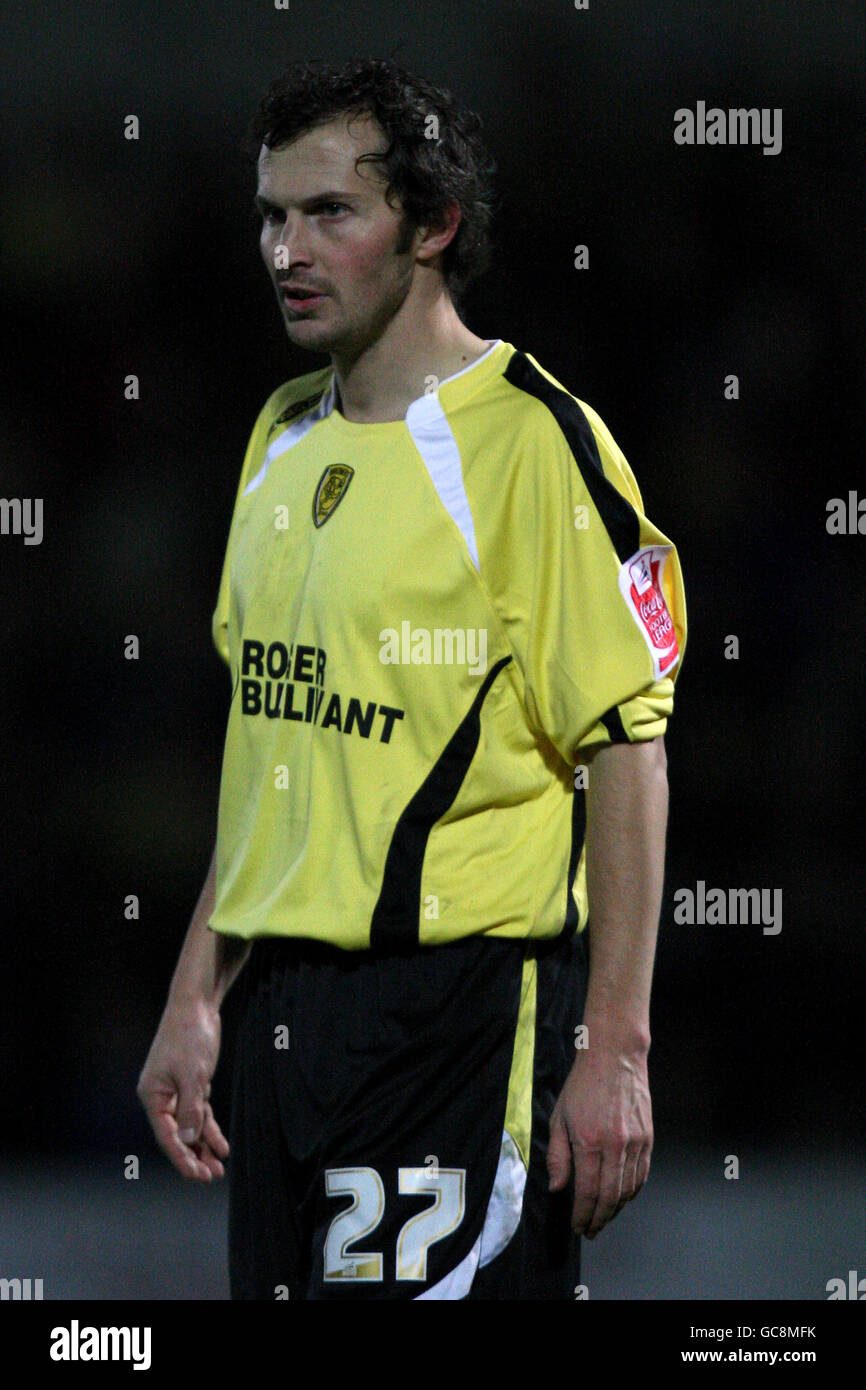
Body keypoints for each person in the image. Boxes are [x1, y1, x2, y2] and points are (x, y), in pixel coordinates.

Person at [138, 56, 687, 1301]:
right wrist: (196, 996)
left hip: (456, 1018)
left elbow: (626, 748)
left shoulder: (532, 445)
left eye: (330, 212)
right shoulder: (280, 435)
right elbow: (278, 753)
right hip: (283, 1027)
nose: (286, 250)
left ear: (431, 224)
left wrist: (616, 1048)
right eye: (272, 215)